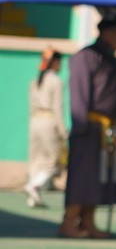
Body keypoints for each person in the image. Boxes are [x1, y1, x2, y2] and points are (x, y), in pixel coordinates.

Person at [61, 15, 116, 239]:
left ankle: (88, 220)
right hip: (88, 128)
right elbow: (79, 94)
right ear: (107, 32)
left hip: (105, 129)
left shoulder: (109, 57)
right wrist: (81, 126)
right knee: (82, 177)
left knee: (97, 179)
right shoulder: (86, 56)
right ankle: (70, 220)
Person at [24, 49, 68, 208]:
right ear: (54, 62)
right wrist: (63, 131)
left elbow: (31, 107)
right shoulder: (55, 81)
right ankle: (34, 185)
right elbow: (58, 108)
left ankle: (34, 196)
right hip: (49, 122)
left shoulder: (35, 81)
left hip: (35, 121)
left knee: (36, 158)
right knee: (54, 160)